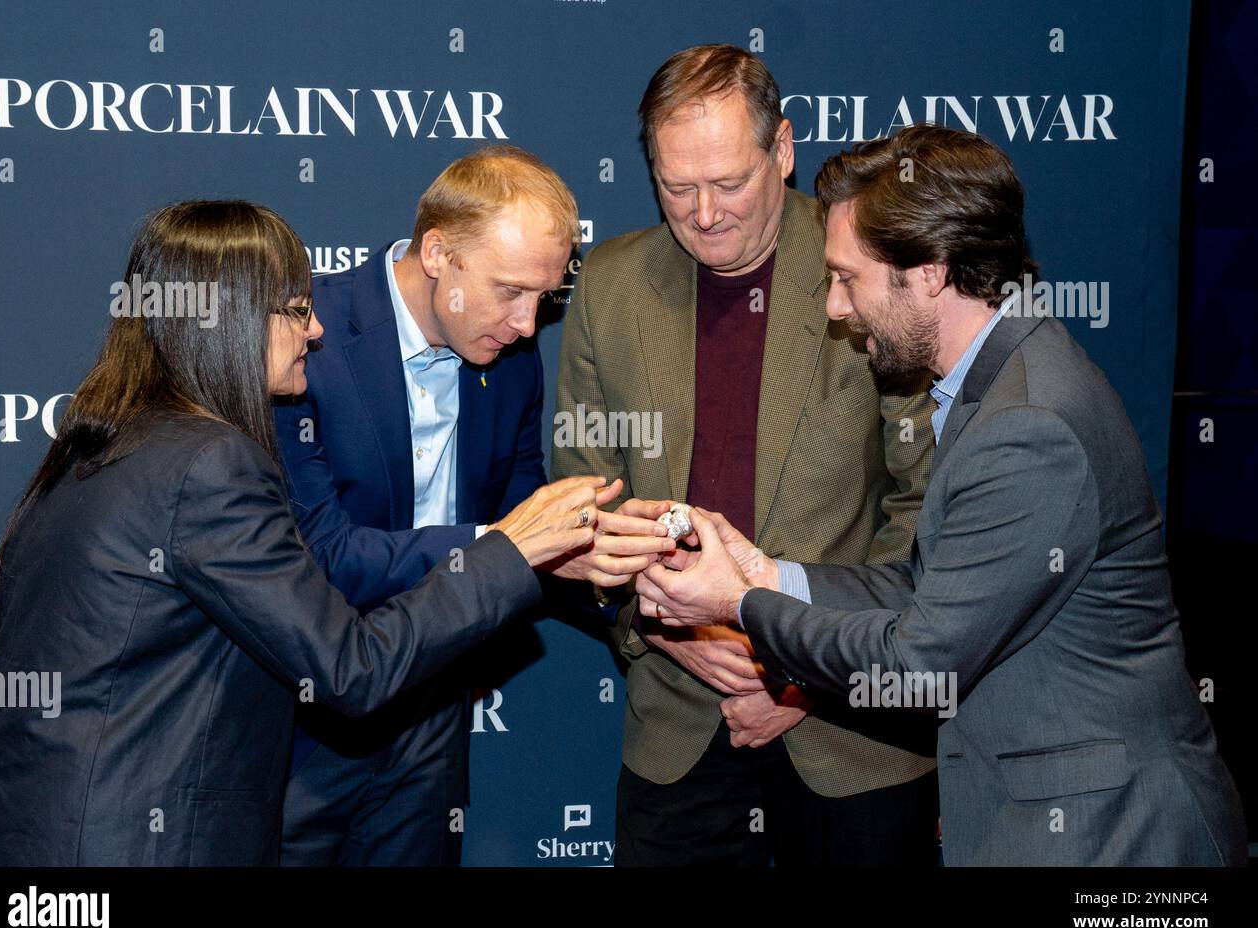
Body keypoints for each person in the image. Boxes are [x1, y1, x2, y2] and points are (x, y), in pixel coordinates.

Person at [636, 124, 1249, 866]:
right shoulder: (994, 382)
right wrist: (768, 574)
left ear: (927, 271)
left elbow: (919, 668)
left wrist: (736, 606)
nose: (834, 307)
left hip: (1109, 838)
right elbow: (927, 587)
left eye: (847, 278)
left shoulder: (1026, 424)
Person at [0, 200, 608, 866]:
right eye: (297, 310)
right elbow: (351, 669)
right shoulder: (210, 464)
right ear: (228, 319)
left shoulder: (105, 439)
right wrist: (505, 550)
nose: (317, 329)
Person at [551, 45, 940, 866]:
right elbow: (585, 504)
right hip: (678, 722)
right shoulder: (610, 284)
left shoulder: (865, 268)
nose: (704, 213)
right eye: (676, 187)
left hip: (851, 732)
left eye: (729, 183)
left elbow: (925, 503)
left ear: (784, 150)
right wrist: (674, 634)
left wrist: (806, 675)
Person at [273, 146, 675, 866]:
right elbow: (320, 555)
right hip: (303, 725)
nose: (528, 326)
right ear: (438, 254)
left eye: (545, 299)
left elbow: (526, 516)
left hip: (434, 718)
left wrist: (608, 553)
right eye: (510, 291)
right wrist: (506, 543)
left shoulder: (510, 361)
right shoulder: (304, 337)